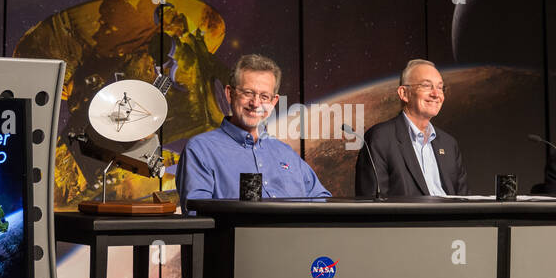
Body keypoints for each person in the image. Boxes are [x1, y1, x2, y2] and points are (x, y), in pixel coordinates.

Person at [177, 53, 330, 212]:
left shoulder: (286, 153)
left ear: (273, 102)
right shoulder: (201, 150)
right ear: (230, 94)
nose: (255, 103)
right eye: (248, 93)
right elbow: (198, 215)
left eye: (264, 96)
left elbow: (323, 202)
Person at [355, 59, 469, 197]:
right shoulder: (380, 138)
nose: (436, 94)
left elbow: (464, 199)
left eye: (440, 88)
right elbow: (372, 201)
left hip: (451, 212)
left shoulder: (449, 144)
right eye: (426, 86)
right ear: (404, 93)